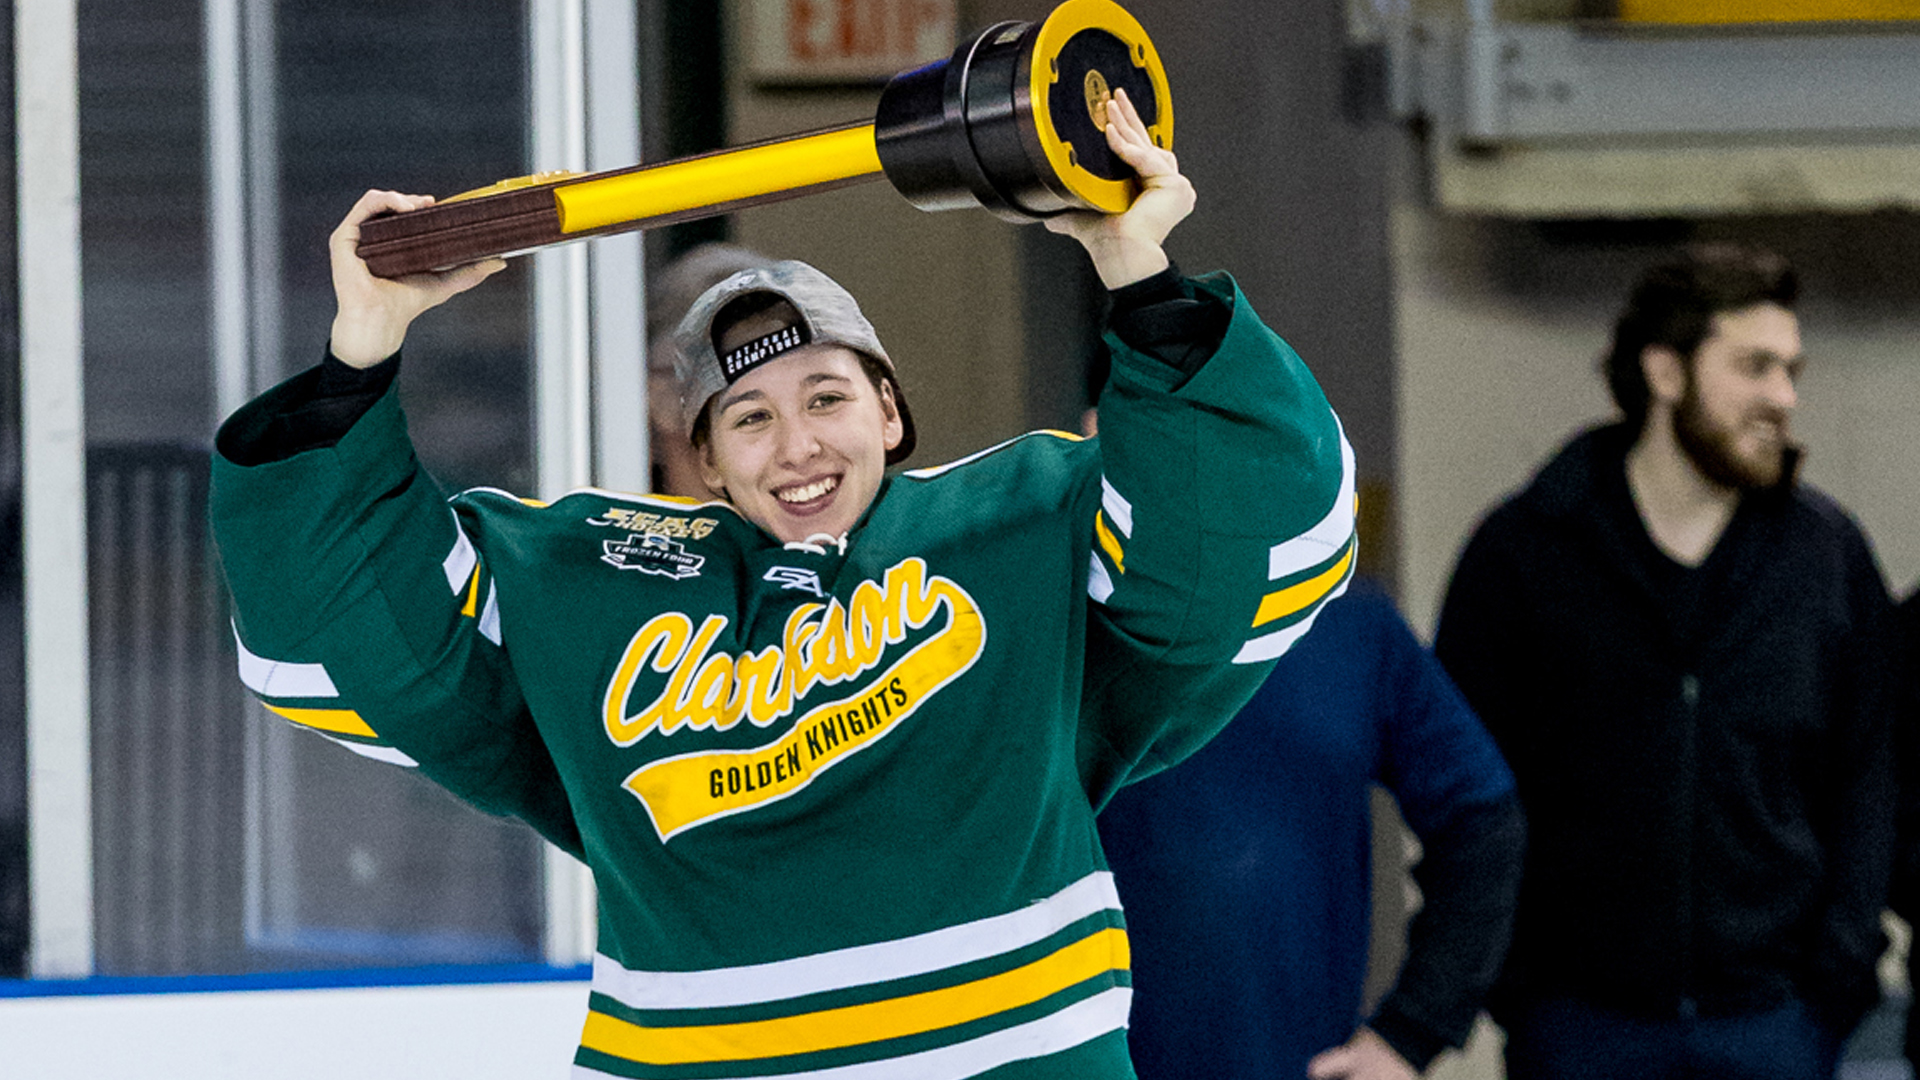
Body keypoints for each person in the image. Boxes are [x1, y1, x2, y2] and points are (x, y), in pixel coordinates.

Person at [209, 90, 1355, 1080]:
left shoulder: (1015, 527)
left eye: (828, 398)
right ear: (702, 462)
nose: (795, 444)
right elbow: (352, 628)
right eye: (748, 418)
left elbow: (1240, 530)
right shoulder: (599, 588)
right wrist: (361, 348)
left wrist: (1134, 268)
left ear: (892, 412)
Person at [1434, 241, 1896, 1080]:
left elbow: (1870, 776)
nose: (1783, 398)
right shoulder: (1526, 554)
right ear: (1666, 371)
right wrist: (1515, 984)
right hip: (1580, 1026)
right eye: (1755, 367)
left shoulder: (1826, 559)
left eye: (1792, 370)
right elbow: (1464, 784)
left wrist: (1840, 969)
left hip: (1779, 1023)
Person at [1098, 578, 1524, 1080]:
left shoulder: (1349, 624)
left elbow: (1482, 821)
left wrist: (1410, 1033)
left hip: (1296, 1061)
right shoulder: (1051, 622)